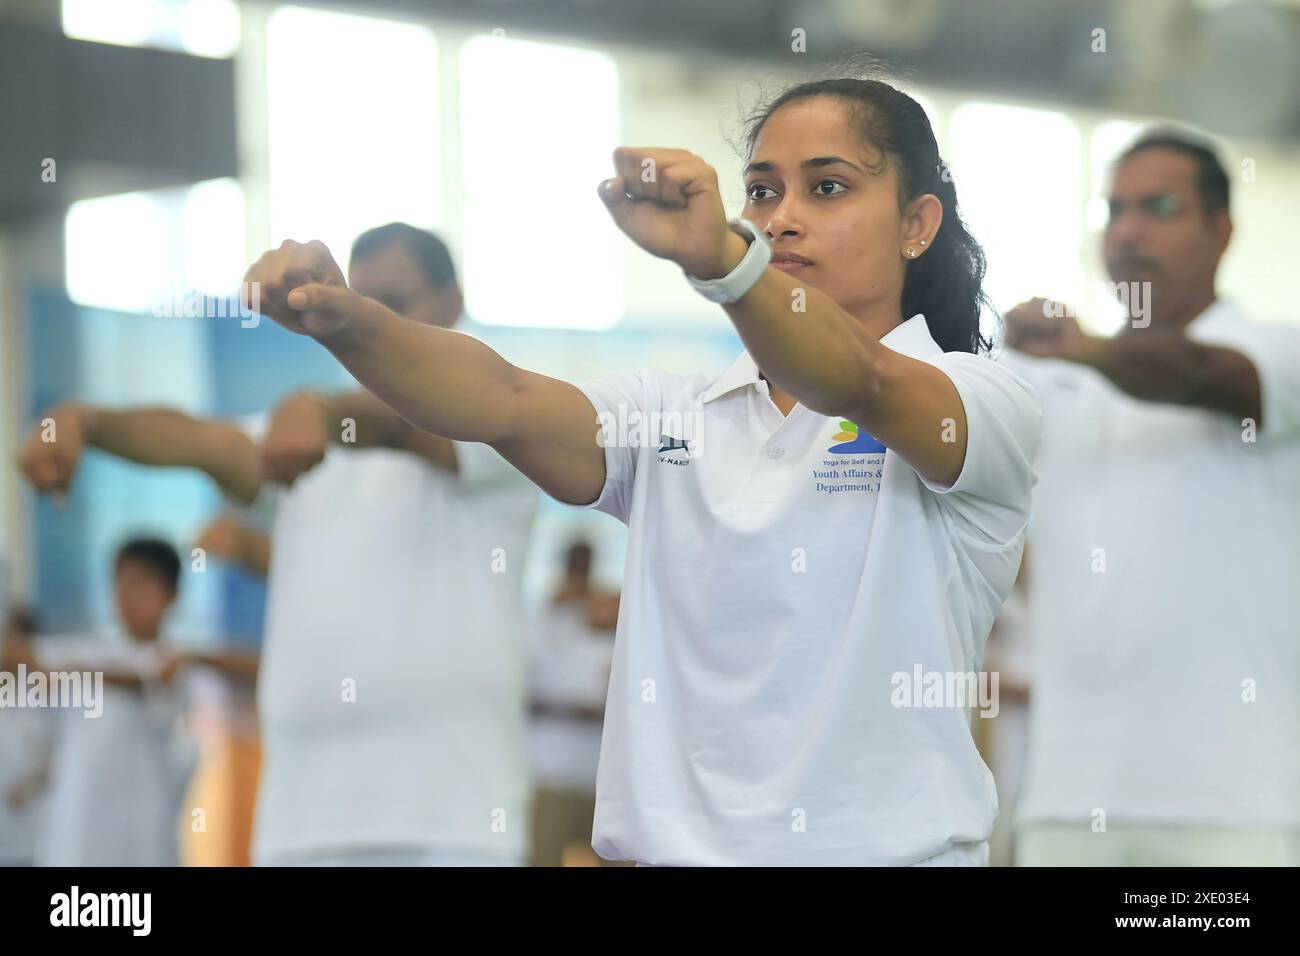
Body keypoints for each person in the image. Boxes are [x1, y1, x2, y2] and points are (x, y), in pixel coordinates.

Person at [241, 76, 1041, 866]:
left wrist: (727, 264)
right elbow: (502, 397)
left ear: (916, 224)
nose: (783, 219)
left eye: (828, 187)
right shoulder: (673, 416)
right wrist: (345, 322)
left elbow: (859, 381)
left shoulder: (980, 402)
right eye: (761, 192)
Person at [17, 224, 539, 867]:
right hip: (301, 823)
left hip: (455, 821)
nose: (371, 325)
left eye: (392, 304)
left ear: (452, 301)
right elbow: (198, 441)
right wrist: (87, 421)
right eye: (360, 304)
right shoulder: (302, 439)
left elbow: (401, 425)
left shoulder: (496, 424)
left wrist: (320, 410)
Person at [1002, 130, 1300, 866]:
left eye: (1159, 208)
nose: (1129, 231)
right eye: (1115, 210)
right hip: (1068, 805)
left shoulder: (1276, 351)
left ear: (1221, 229)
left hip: (1237, 811)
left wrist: (1085, 349)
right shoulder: (1051, 381)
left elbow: (1196, 373)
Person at [15, 539, 195, 866]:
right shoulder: (89, 652)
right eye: (121, 582)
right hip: (76, 839)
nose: (128, 594)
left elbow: (145, 681)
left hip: (143, 844)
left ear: (172, 595)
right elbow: (24, 659)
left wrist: (80, 674)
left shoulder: (175, 664)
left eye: (142, 583)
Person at [528, 540, 618, 867]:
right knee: (544, 858)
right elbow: (525, 694)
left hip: (602, 780)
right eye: (575, 564)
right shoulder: (547, 618)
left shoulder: (609, 617)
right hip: (553, 772)